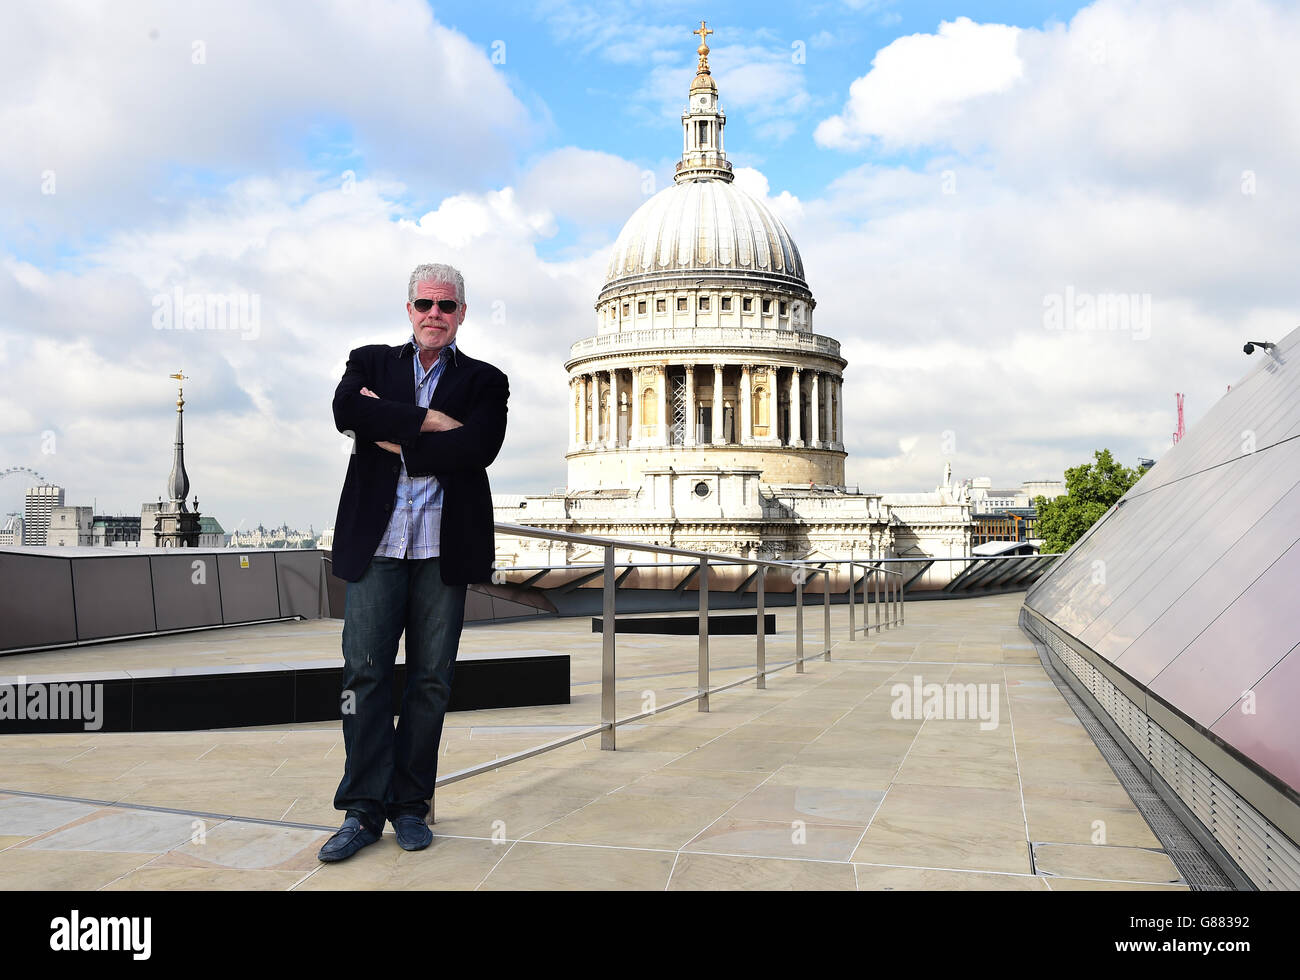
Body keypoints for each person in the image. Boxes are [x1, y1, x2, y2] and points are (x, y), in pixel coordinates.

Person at [318, 262, 509, 862]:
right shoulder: (370, 362)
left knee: (430, 682)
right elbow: (346, 411)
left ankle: (409, 804)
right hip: (377, 546)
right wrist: (430, 423)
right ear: (409, 309)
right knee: (364, 676)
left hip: (442, 551)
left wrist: (395, 431)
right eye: (425, 303)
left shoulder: (486, 379)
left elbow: (480, 447)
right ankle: (361, 809)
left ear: (461, 314)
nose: (434, 314)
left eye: (446, 305)